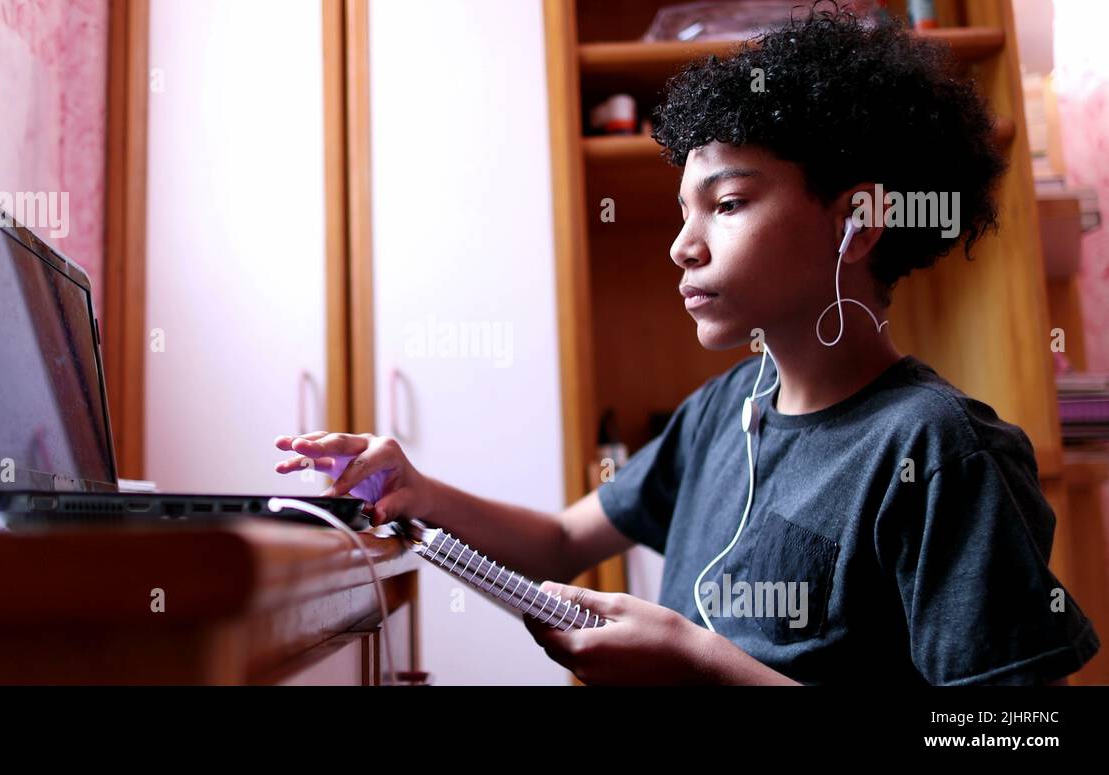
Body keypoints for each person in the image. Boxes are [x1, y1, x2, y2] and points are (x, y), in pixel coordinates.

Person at [273, 4, 1099, 685]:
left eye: (727, 204)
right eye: (681, 213)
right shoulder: (719, 413)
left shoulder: (939, 449)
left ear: (856, 221)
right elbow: (563, 542)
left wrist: (699, 662)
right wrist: (418, 490)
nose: (683, 245)